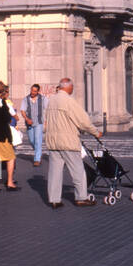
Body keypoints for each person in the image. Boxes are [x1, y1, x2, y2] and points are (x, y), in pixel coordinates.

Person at [43, 78, 101, 208]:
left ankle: (54, 199)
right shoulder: (69, 101)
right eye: (72, 86)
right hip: (68, 141)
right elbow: (83, 121)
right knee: (78, 171)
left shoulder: (51, 100)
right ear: (68, 87)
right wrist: (95, 132)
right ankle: (81, 197)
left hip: (53, 141)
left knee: (55, 172)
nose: (73, 89)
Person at [20, 83, 47, 165]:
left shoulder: (43, 99)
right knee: (32, 141)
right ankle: (38, 152)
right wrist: (27, 119)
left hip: (39, 122)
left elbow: (48, 108)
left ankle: (37, 159)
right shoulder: (26, 99)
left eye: (34, 91)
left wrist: (47, 121)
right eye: (32, 90)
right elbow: (22, 110)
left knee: (38, 140)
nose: (32, 92)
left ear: (38, 91)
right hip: (29, 123)